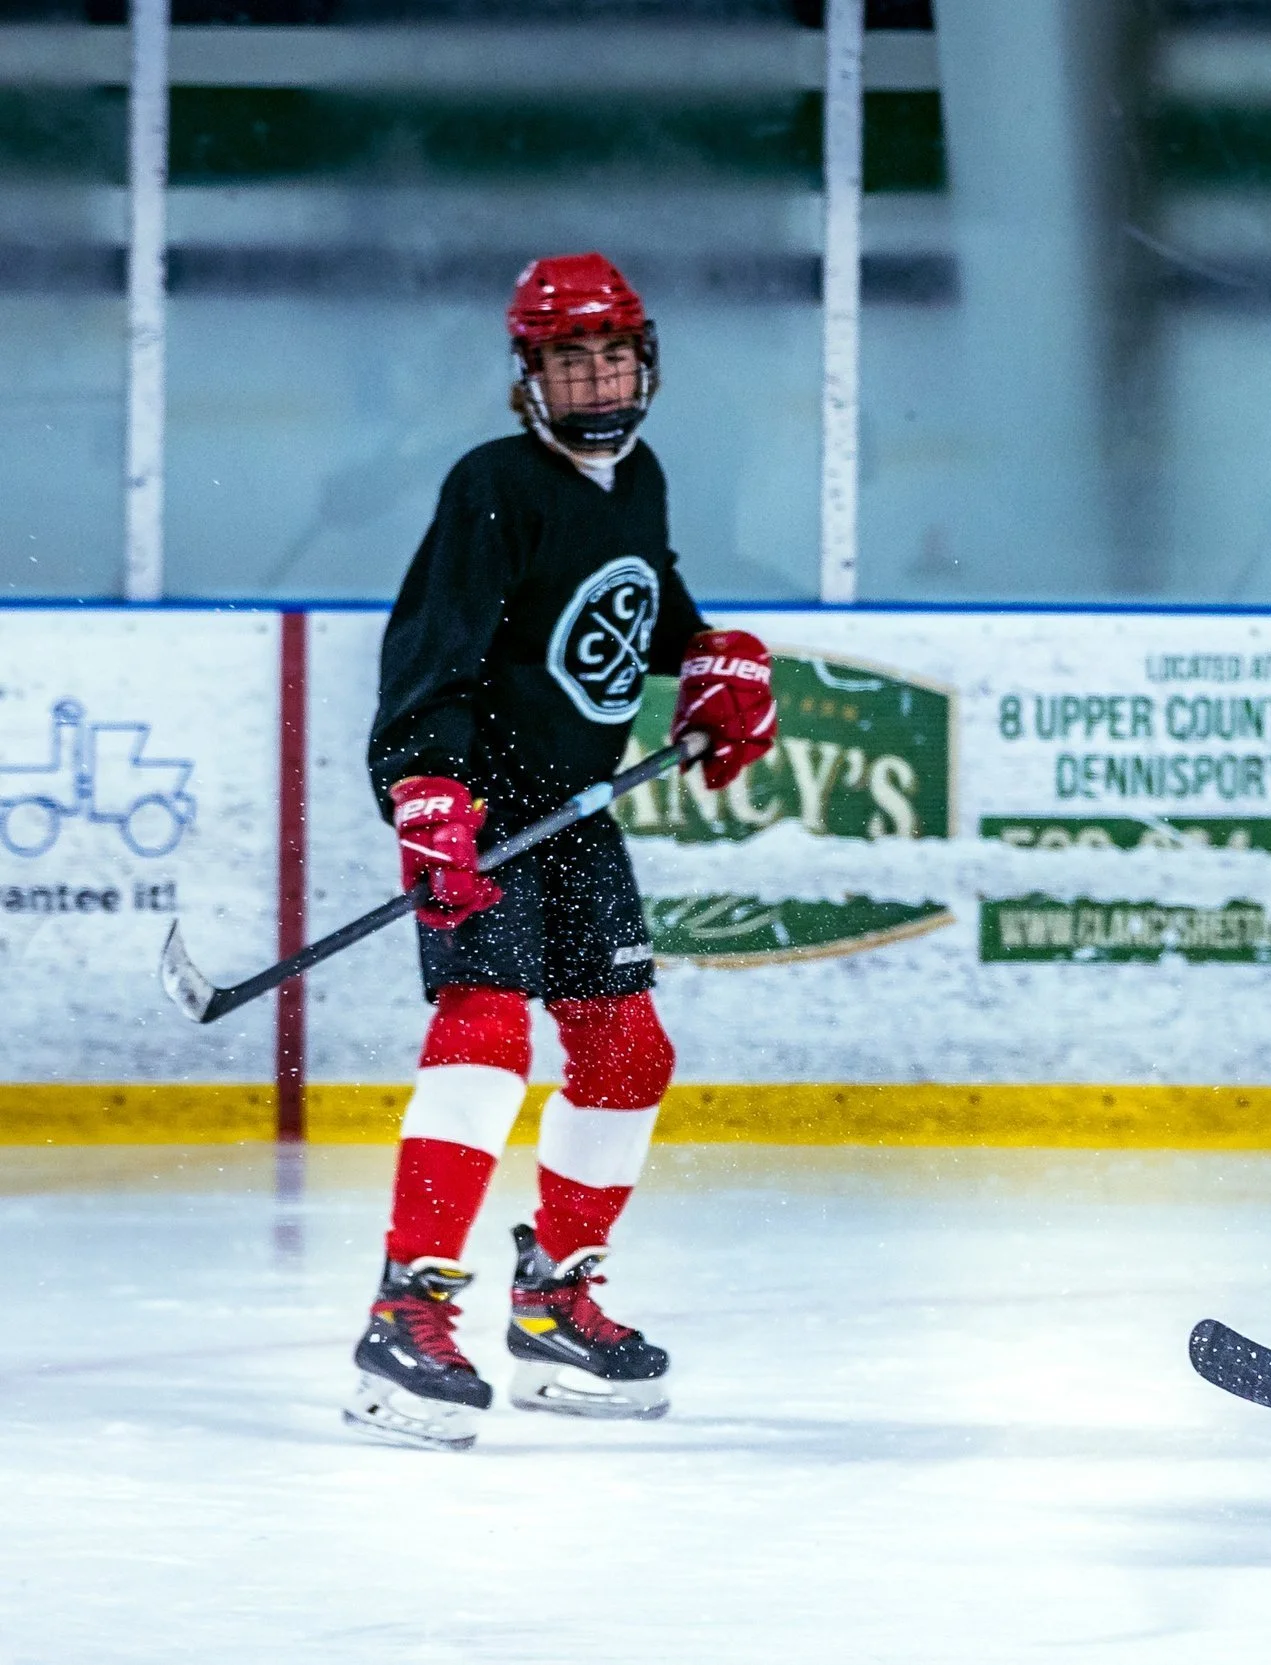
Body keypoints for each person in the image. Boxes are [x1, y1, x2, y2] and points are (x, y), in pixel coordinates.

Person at [344, 253, 778, 1451]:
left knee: (628, 1049)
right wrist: (423, 794)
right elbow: (429, 653)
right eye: (572, 356)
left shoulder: (636, 477)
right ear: (527, 374)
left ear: (648, 362)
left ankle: (554, 1302)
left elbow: (638, 595)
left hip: (576, 807)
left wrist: (709, 656)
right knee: (486, 1029)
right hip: (483, 806)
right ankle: (407, 1308)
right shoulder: (492, 484)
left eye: (617, 353)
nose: (600, 377)